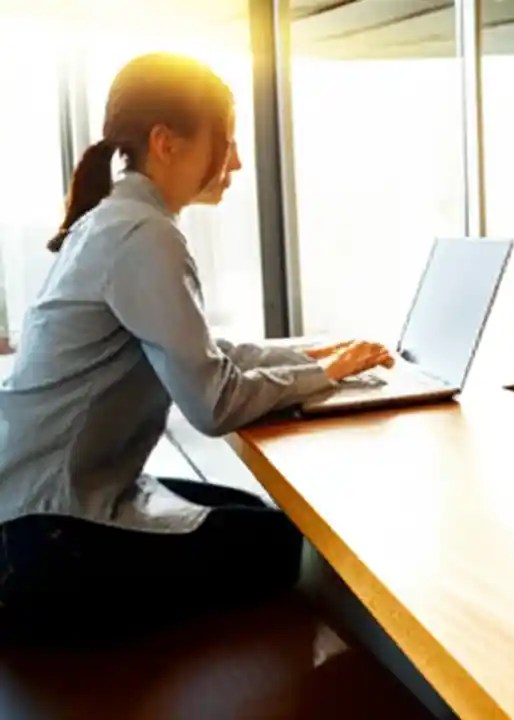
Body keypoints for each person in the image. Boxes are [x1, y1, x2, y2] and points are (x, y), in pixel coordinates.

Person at [0, 53, 392, 643]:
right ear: (166, 142)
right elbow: (213, 404)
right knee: (278, 546)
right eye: (225, 141)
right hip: (46, 536)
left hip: (39, 507)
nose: (234, 161)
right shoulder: (144, 234)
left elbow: (196, 347)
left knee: (263, 521)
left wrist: (313, 360)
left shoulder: (116, 219)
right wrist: (326, 374)